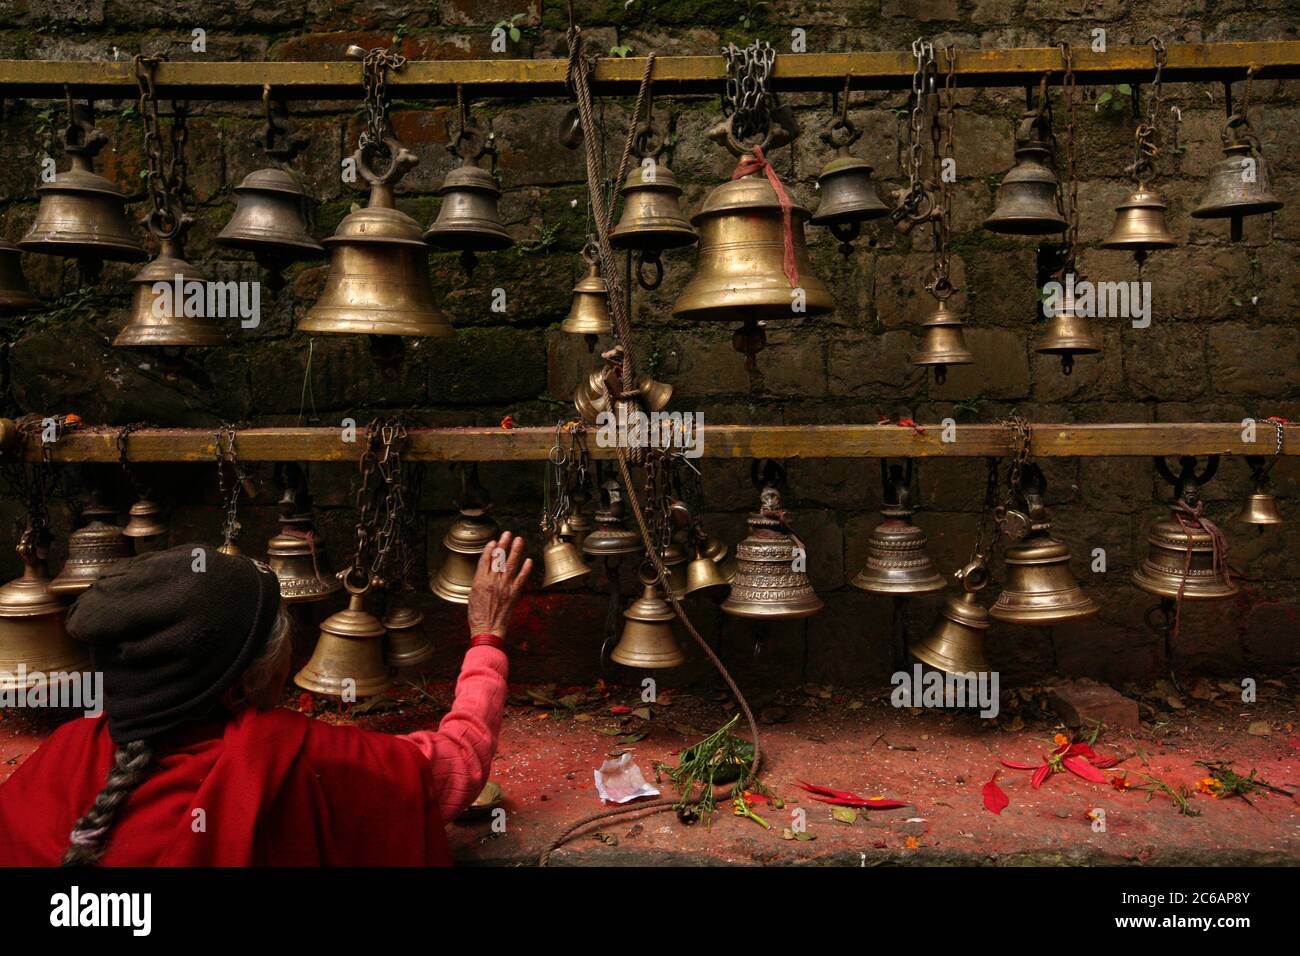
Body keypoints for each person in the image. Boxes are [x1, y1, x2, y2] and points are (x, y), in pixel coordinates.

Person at [0, 532, 532, 867]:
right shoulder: (297, 760)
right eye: (280, 638)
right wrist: (487, 635)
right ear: (241, 686)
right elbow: (459, 763)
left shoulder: (61, 756)